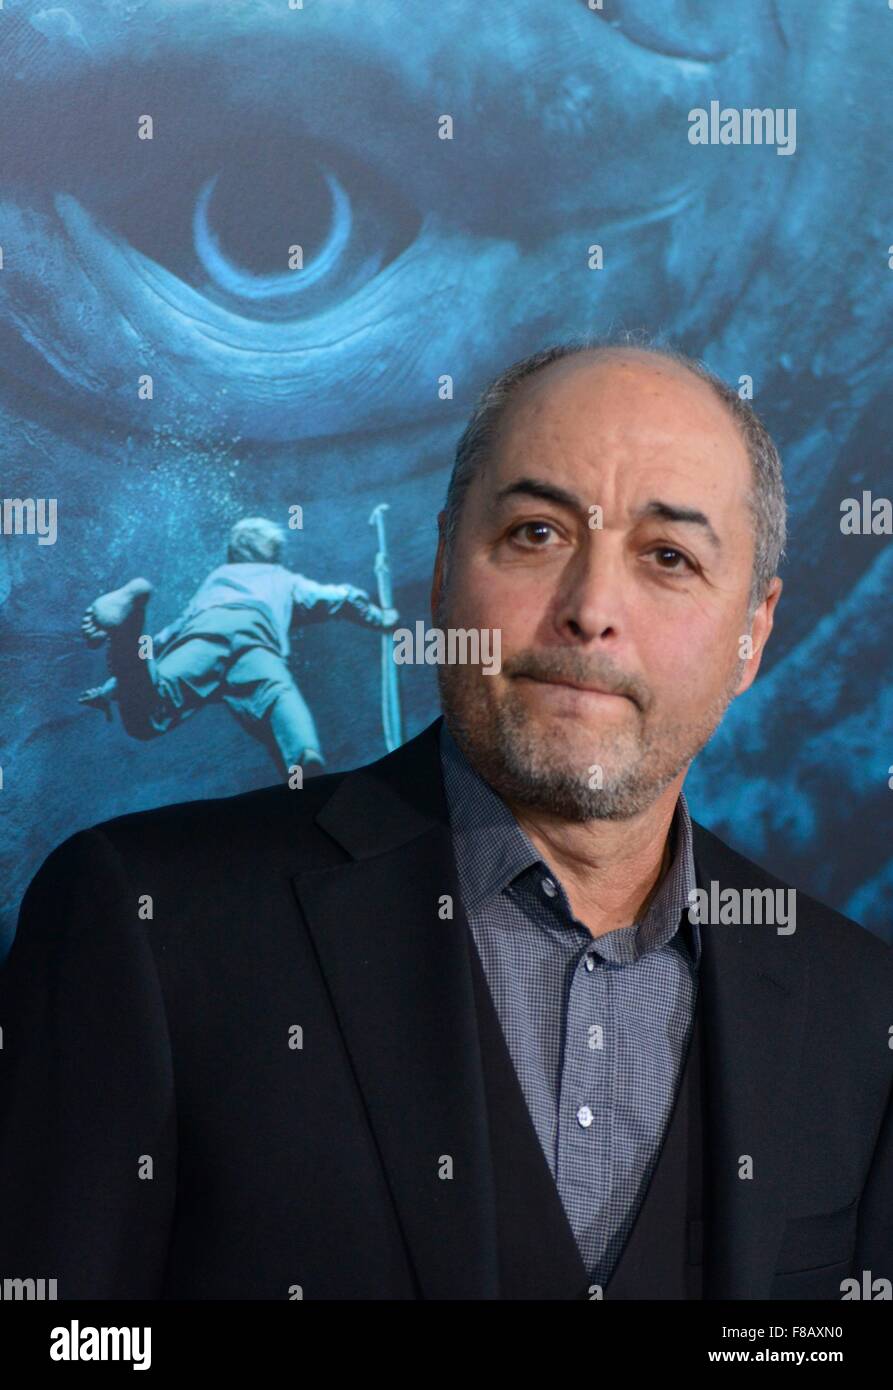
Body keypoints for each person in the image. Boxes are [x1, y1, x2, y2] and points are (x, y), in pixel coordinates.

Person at [0, 343, 890, 1300]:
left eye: (667, 557)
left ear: (752, 634)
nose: (591, 610)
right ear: (439, 575)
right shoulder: (145, 925)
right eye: (535, 534)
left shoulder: (858, 1008)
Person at [76, 515, 399, 776]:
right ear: (273, 554)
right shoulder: (282, 578)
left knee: (149, 714)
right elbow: (339, 597)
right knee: (276, 698)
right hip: (256, 640)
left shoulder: (216, 580)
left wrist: (110, 688)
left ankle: (130, 627)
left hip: (204, 631)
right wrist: (380, 617)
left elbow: (166, 639)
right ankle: (304, 756)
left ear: (233, 553)